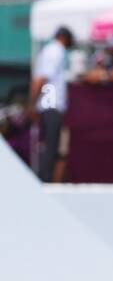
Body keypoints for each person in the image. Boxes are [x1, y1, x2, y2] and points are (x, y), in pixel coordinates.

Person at [29, 25, 73, 182]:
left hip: (49, 104)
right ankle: (45, 180)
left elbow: (38, 80)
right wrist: (32, 104)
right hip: (51, 104)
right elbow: (41, 79)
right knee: (51, 145)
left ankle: (45, 178)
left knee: (50, 145)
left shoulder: (50, 51)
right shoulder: (55, 52)